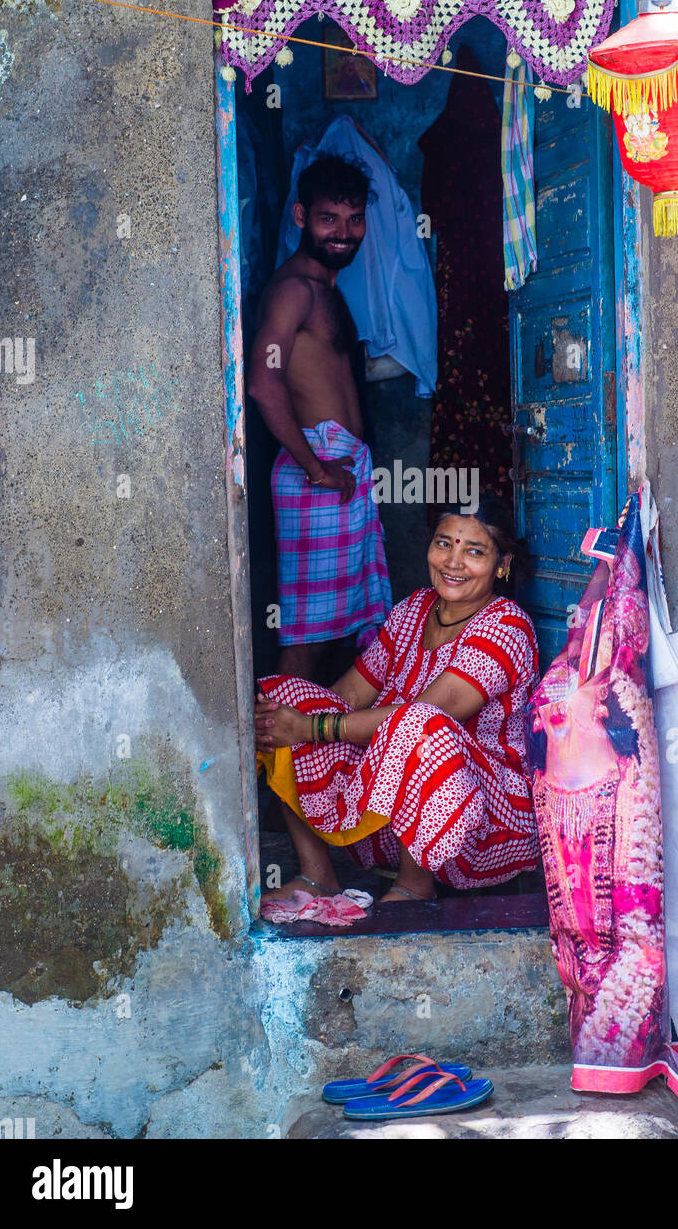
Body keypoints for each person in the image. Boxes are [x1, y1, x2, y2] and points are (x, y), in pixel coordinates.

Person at [254, 495, 542, 903]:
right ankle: (317, 876)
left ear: (502, 564)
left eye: (474, 551)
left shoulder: (507, 627)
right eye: (444, 543)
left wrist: (310, 728)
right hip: (397, 809)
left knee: (421, 724)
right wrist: (292, 719)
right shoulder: (416, 608)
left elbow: (428, 714)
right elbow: (350, 693)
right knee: (282, 696)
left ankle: (413, 885)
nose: (453, 563)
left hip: (483, 822)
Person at [247, 151, 392, 681]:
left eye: (355, 220)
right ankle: (275, 761)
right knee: (306, 640)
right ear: (301, 216)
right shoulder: (292, 292)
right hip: (317, 477)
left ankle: (312, 756)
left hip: (340, 475)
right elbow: (264, 383)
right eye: (329, 218)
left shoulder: (328, 289)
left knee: (342, 635)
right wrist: (315, 468)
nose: (344, 233)